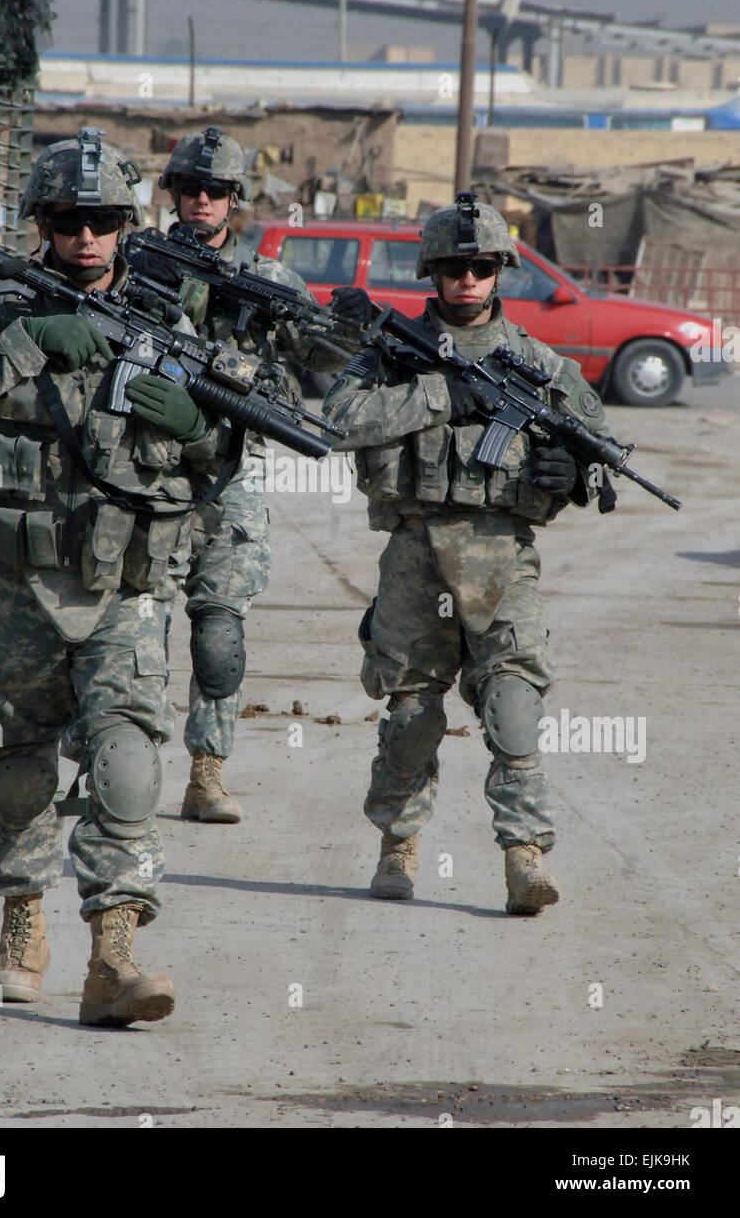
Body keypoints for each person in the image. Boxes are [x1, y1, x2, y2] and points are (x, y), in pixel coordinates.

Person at [0, 128, 229, 1025]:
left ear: (127, 223)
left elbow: (223, 452)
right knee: (18, 761)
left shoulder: (170, 317)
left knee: (127, 755)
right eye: (66, 219)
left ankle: (115, 955)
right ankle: (23, 926)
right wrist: (27, 345)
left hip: (125, 583)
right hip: (17, 580)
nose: (85, 237)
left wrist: (198, 426)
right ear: (41, 223)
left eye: (101, 219)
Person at [323, 198, 614, 912]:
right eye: (453, 268)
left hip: (503, 556)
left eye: (481, 267)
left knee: (514, 704)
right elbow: (338, 418)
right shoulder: (395, 352)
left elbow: (602, 453)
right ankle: (398, 842)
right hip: (416, 552)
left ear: (500, 272)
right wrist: (438, 395)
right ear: (432, 272)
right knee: (413, 713)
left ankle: (524, 856)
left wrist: (574, 476)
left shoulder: (538, 365)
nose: (467, 281)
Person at [156, 127, 341, 824]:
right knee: (125, 626)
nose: (201, 201)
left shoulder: (267, 280)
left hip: (227, 474)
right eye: (190, 189)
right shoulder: (135, 260)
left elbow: (326, 358)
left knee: (220, 631)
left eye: (216, 191)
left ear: (235, 200)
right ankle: (106, 764)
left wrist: (341, 329)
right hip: (138, 473)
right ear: (173, 194)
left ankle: (207, 773)